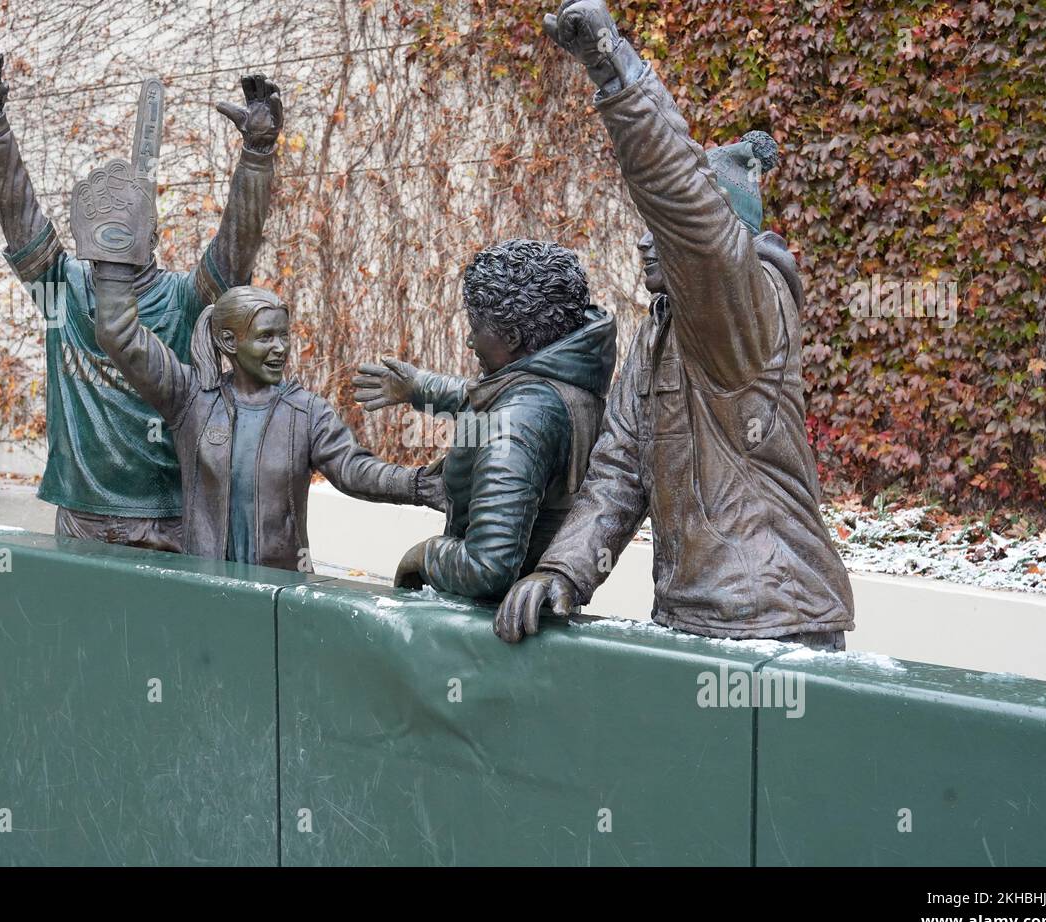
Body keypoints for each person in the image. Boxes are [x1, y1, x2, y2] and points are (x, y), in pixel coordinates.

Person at [495, 0, 855, 649]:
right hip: (692, 618)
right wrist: (564, 569)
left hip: (774, 625)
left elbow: (684, 208)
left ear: (715, 244)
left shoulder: (748, 305)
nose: (642, 240)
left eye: (661, 230)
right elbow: (618, 470)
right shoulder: (659, 332)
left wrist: (617, 74)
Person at [0, 48, 281, 552]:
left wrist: (257, 154)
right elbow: (18, 211)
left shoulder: (185, 299)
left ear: (153, 234)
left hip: (167, 518)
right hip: (82, 513)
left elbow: (237, 243)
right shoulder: (65, 286)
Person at [73, 155, 443, 567]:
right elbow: (119, 334)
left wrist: (418, 485)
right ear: (229, 341)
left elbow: (353, 470)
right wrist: (113, 258)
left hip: (280, 589)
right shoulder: (189, 399)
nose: (281, 348)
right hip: (207, 584)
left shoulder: (306, 413)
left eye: (284, 336)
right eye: (266, 337)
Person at [353, 239, 616, 600]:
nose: (469, 342)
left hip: (492, 628)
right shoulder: (570, 377)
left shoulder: (520, 420)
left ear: (512, 336)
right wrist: (421, 387)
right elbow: (496, 394)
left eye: (476, 328)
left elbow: (486, 568)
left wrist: (423, 555)